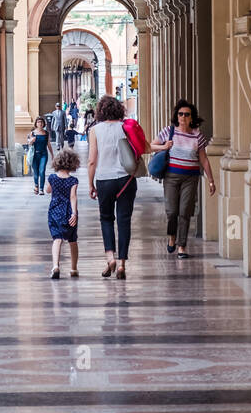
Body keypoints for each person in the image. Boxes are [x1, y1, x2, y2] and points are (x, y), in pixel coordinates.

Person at [149, 98, 216, 258]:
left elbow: (204, 159)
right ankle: (172, 237)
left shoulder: (197, 136)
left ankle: (182, 246)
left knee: (185, 211)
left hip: (190, 178)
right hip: (171, 177)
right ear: (176, 116)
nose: (183, 117)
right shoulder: (168, 132)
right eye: (181, 114)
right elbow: (150, 146)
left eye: (187, 114)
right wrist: (164, 146)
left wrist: (211, 180)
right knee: (172, 211)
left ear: (192, 117)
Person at [88, 93, 145, 279]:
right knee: (124, 220)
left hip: (104, 180)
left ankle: (110, 257)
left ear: (101, 111)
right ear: (119, 110)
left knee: (106, 219)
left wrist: (90, 183)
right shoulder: (125, 127)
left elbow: (91, 161)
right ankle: (121, 265)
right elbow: (142, 146)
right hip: (125, 179)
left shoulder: (95, 130)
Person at [45, 148, 80, 278]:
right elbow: (73, 197)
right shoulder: (73, 181)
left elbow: (48, 191)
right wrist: (74, 214)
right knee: (72, 240)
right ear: (72, 164)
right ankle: (73, 269)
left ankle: (55, 266)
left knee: (57, 239)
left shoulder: (52, 178)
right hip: (68, 211)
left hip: (54, 210)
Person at [26, 117, 53, 195]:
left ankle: (41, 188)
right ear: (36, 123)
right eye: (38, 122)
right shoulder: (32, 133)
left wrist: (52, 155)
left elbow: (48, 144)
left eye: (41, 122)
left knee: (42, 171)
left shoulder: (46, 133)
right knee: (36, 172)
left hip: (44, 154)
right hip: (34, 155)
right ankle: (36, 186)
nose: (40, 124)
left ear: (43, 123)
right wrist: (31, 141)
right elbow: (28, 143)